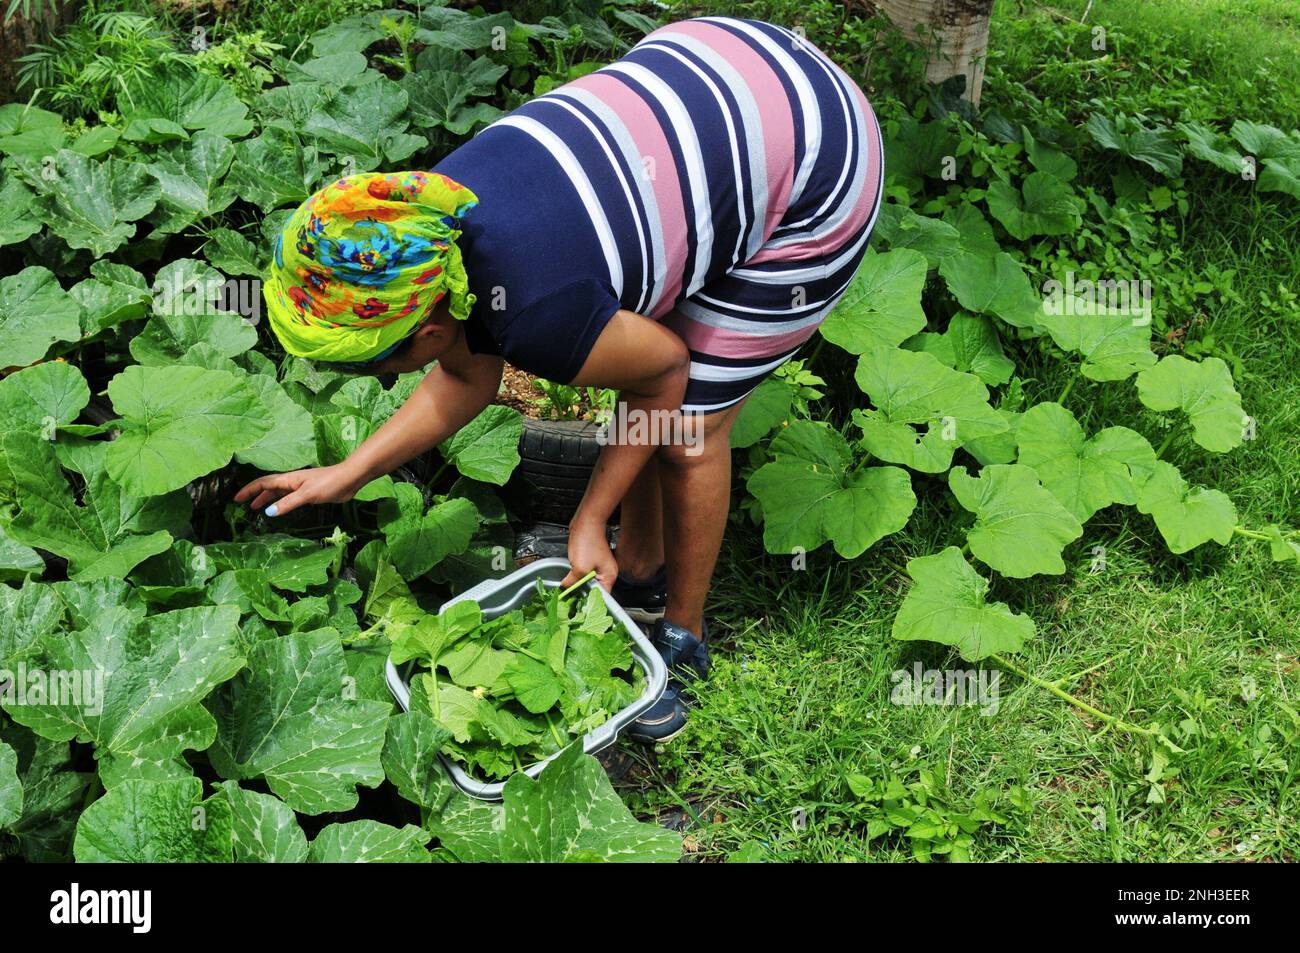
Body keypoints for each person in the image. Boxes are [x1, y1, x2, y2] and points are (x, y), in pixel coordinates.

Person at [236, 15, 883, 743]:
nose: (386, 384)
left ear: (427, 331)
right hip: (716, 74)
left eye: (380, 365)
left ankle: (684, 635)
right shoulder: (419, 226)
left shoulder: (535, 309)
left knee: (692, 427)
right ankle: (637, 565)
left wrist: (586, 516)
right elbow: (467, 377)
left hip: (820, 160)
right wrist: (348, 472)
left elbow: (663, 378)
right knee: (647, 352)